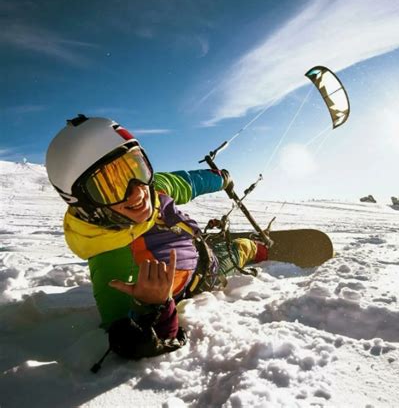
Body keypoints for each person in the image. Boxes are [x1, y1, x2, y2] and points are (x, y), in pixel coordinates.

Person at [45, 114, 268, 364]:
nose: (137, 191)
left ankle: (219, 243)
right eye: (111, 186)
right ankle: (258, 250)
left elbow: (190, 181)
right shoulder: (111, 258)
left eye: (135, 168)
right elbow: (133, 340)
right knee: (240, 249)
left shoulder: (156, 189)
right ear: (86, 204)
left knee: (210, 242)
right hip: (203, 276)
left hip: (195, 244)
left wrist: (220, 178)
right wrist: (153, 306)